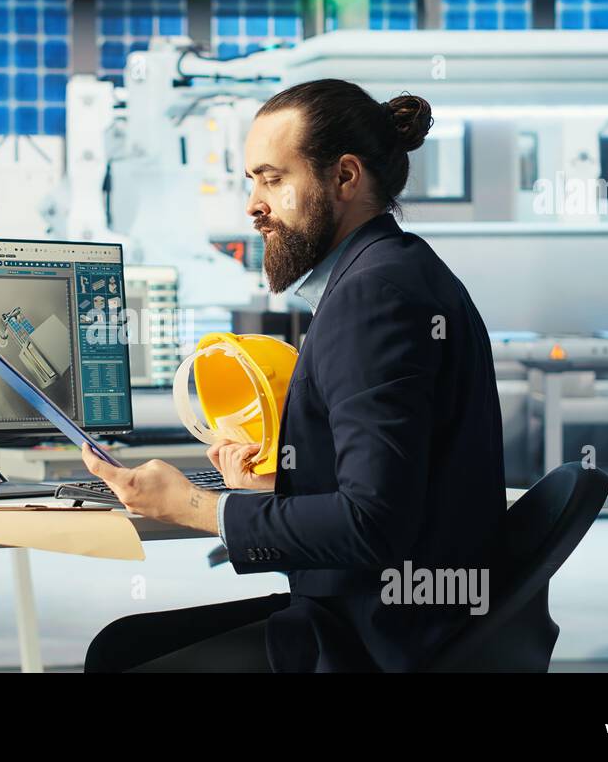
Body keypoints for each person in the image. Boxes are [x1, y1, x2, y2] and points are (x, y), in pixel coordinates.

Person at [79, 79, 509, 673]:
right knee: (120, 648)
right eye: (252, 181)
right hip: (404, 615)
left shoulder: (371, 299)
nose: (253, 204)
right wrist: (279, 487)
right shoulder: (398, 271)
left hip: (375, 639)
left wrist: (197, 506)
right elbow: (400, 486)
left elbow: (373, 522)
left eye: (273, 179)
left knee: (119, 660)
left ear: (345, 177)